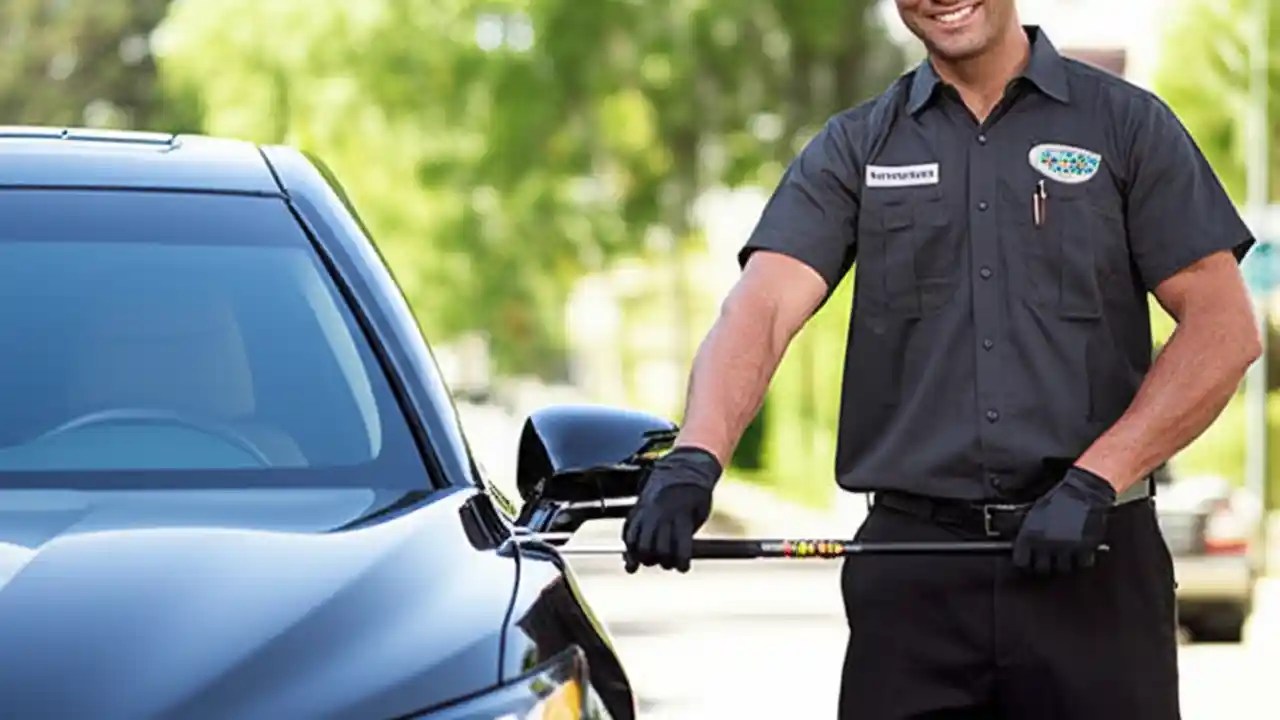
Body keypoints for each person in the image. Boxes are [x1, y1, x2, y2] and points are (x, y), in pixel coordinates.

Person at [620, 1, 1262, 718]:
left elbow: (1224, 330)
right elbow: (761, 310)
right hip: (913, 582)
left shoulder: (1127, 127)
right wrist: (694, 457)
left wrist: (1095, 481)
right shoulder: (859, 144)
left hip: (1093, 564)